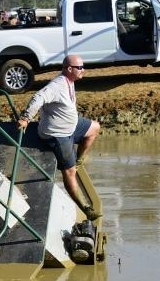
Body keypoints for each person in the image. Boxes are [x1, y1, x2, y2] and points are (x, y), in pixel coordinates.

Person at [15, 54, 102, 220]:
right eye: (80, 67)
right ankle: (85, 207)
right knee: (69, 172)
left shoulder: (70, 82)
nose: (83, 70)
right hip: (57, 134)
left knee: (95, 128)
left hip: (71, 127)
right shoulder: (57, 85)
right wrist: (26, 118)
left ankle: (78, 159)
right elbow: (38, 97)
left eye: (83, 67)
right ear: (69, 69)